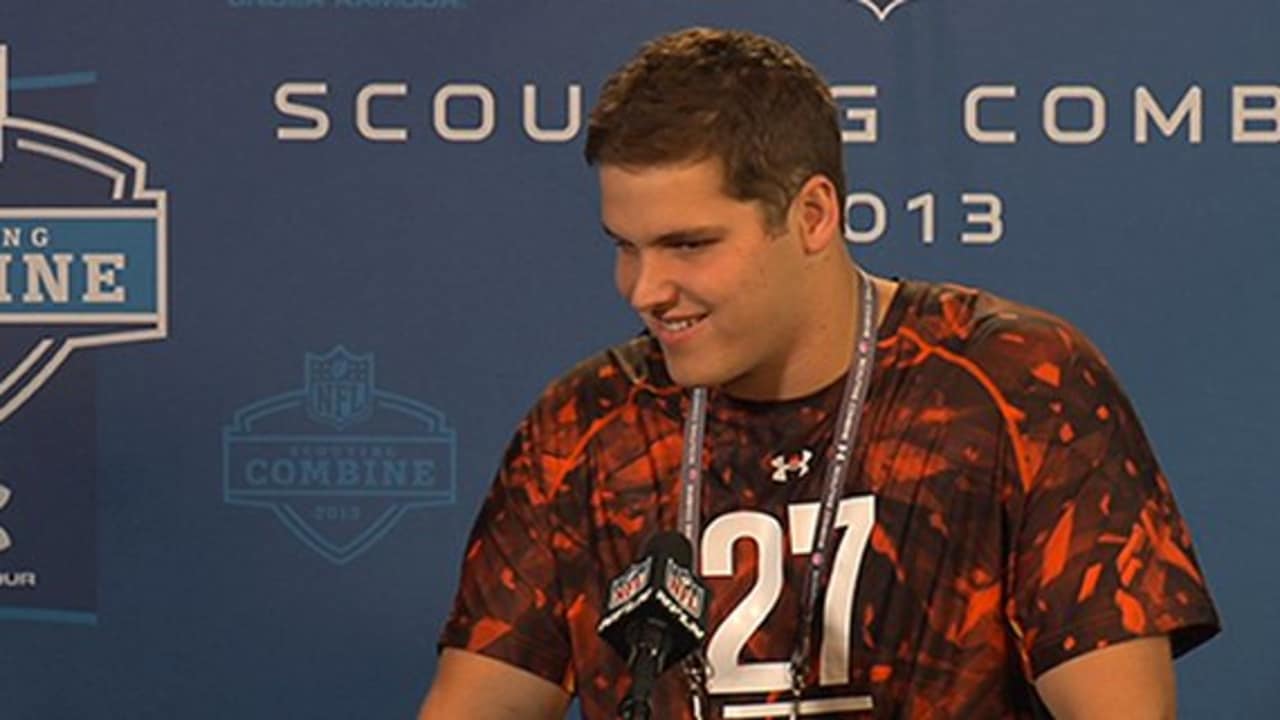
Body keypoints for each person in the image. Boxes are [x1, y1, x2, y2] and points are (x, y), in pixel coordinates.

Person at [419, 27, 1219, 720]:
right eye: (625, 246)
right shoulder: (584, 427)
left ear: (812, 216)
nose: (644, 290)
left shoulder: (1019, 383)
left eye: (688, 245)